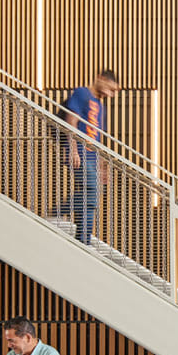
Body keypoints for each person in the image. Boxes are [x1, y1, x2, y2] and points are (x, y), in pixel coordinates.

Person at [60, 69, 120, 243]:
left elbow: (99, 136)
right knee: (91, 192)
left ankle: (83, 238)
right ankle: (57, 211)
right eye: (112, 89)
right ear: (100, 78)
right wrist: (73, 150)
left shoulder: (100, 105)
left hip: (92, 156)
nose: (112, 94)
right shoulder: (82, 93)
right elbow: (71, 120)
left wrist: (103, 166)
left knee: (89, 197)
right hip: (80, 152)